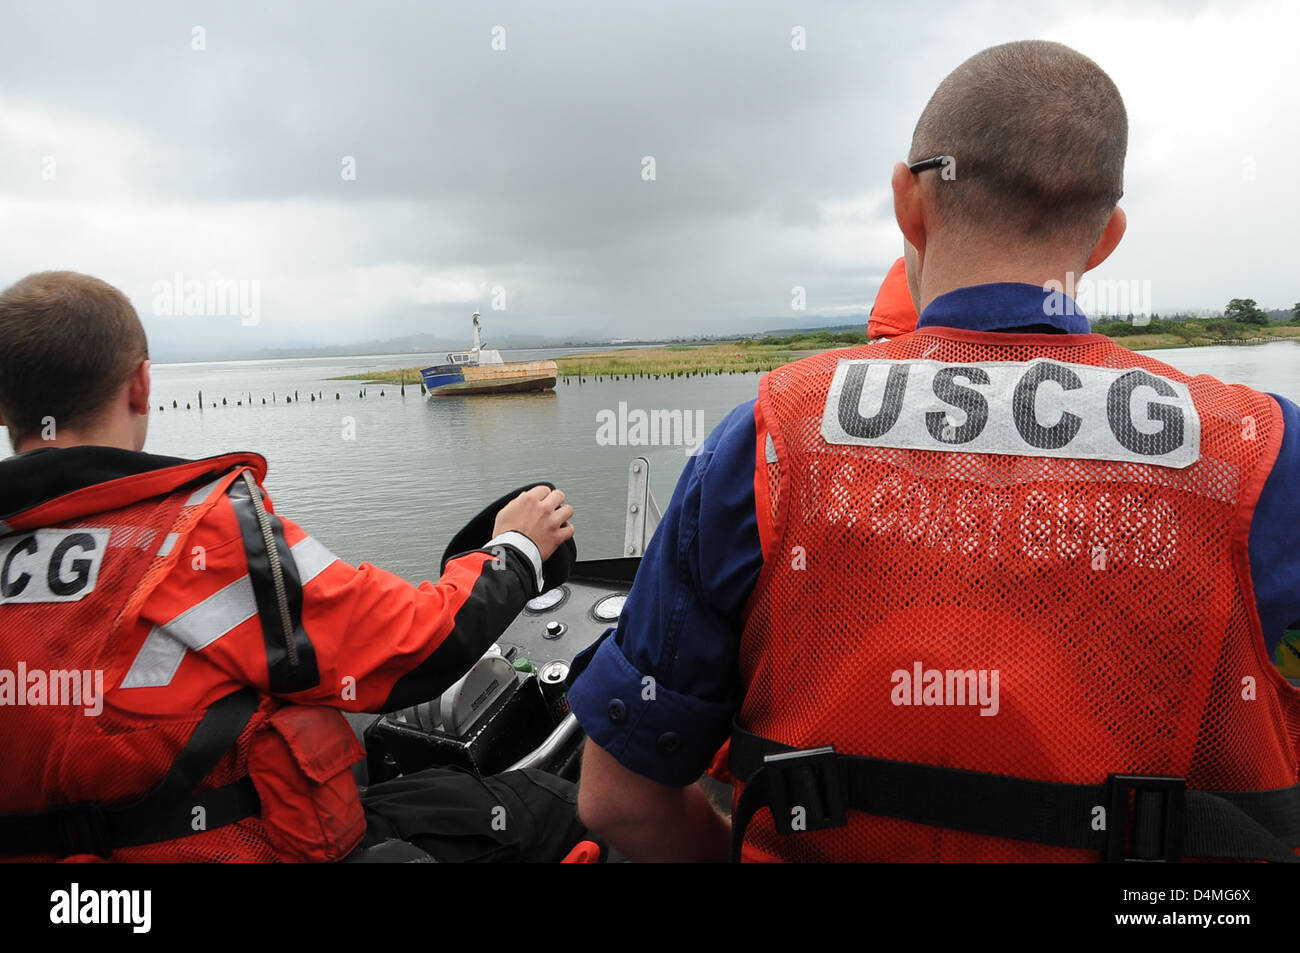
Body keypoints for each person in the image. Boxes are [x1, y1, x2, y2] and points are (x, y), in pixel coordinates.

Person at [568, 39, 1300, 863]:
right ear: (1106, 239)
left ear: (908, 206)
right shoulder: (1265, 454)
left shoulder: (766, 439)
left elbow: (618, 798)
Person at [0, 270, 583, 862]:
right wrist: (517, 552)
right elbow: (414, 646)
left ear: (3, 407)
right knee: (548, 807)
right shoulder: (203, 535)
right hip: (235, 850)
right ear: (141, 386)